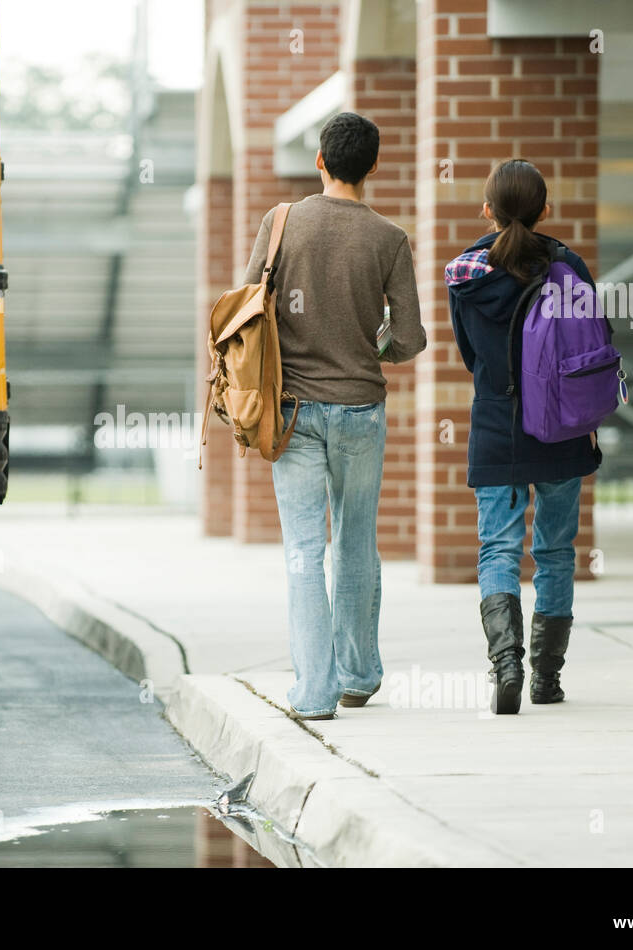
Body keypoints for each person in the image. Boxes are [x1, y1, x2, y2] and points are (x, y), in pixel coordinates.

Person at [243, 112, 426, 720]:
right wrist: (373, 345)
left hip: (291, 412)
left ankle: (313, 694)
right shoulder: (390, 238)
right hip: (360, 412)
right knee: (355, 542)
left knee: (302, 550)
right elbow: (410, 338)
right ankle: (358, 675)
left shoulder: (280, 224)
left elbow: (246, 315)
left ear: (319, 160)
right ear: (373, 166)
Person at [445, 158, 603, 715]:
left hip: (497, 425)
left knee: (498, 548)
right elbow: (590, 349)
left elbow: (469, 358)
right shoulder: (569, 267)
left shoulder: (466, 277)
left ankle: (506, 666)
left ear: (487, 209)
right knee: (557, 552)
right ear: (546, 210)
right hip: (561, 427)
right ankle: (547, 679)